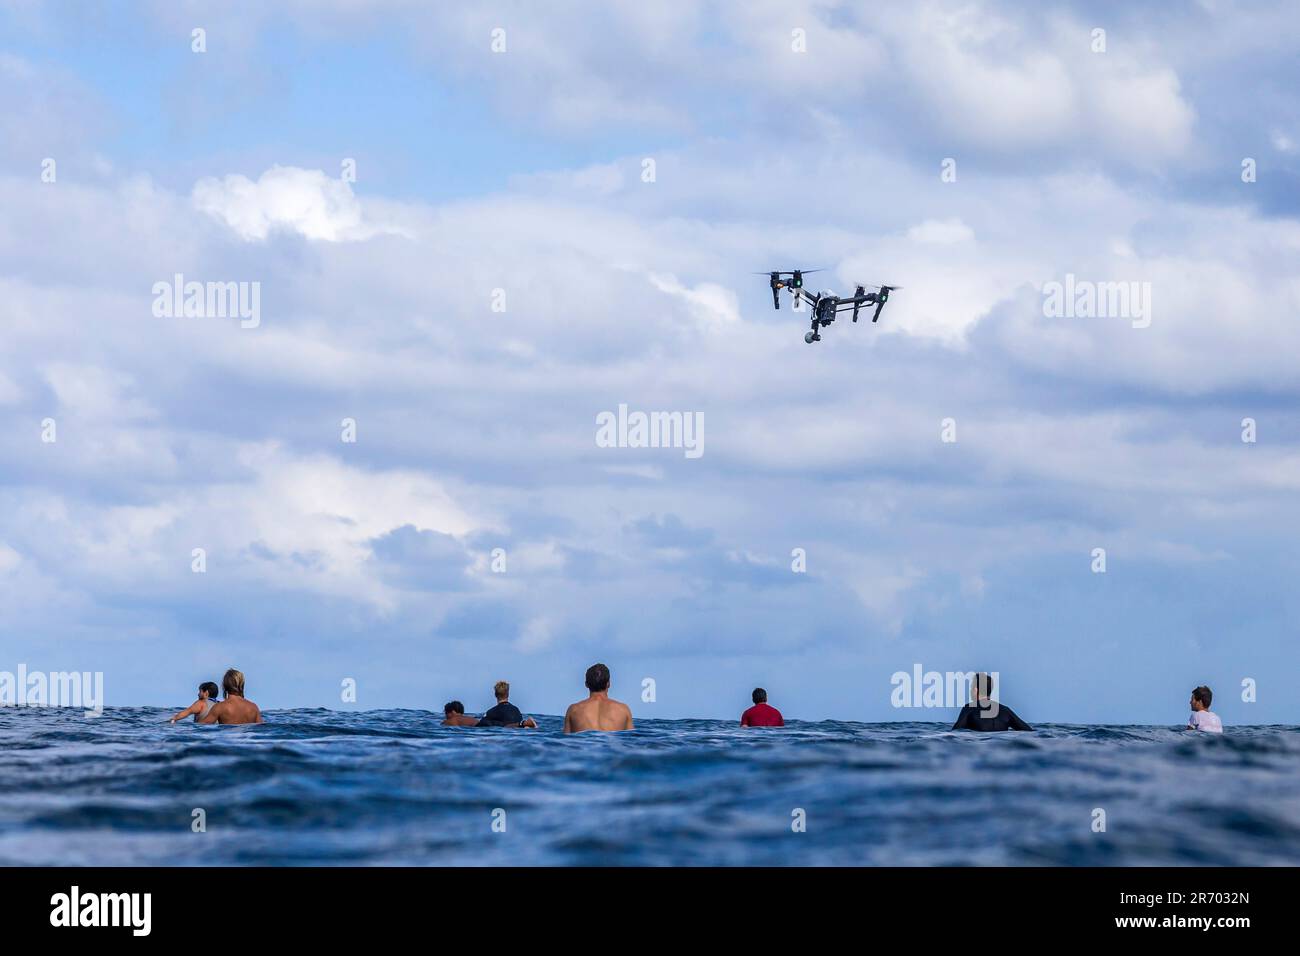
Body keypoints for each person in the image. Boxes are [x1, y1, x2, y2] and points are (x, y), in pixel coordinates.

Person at [563, 663, 634, 733]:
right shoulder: (623, 710)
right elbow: (630, 741)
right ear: (608, 684)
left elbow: (566, 741)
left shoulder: (573, 710)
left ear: (586, 684)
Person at [951, 673, 1032, 732]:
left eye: (971, 687)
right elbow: (1028, 731)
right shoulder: (1005, 710)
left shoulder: (968, 708)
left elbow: (956, 732)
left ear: (976, 690)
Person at [198, 668, 263, 725]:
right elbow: (261, 728)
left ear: (225, 686)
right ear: (242, 685)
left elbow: (201, 726)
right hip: (246, 738)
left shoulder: (219, 707)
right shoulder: (253, 708)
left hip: (227, 737)